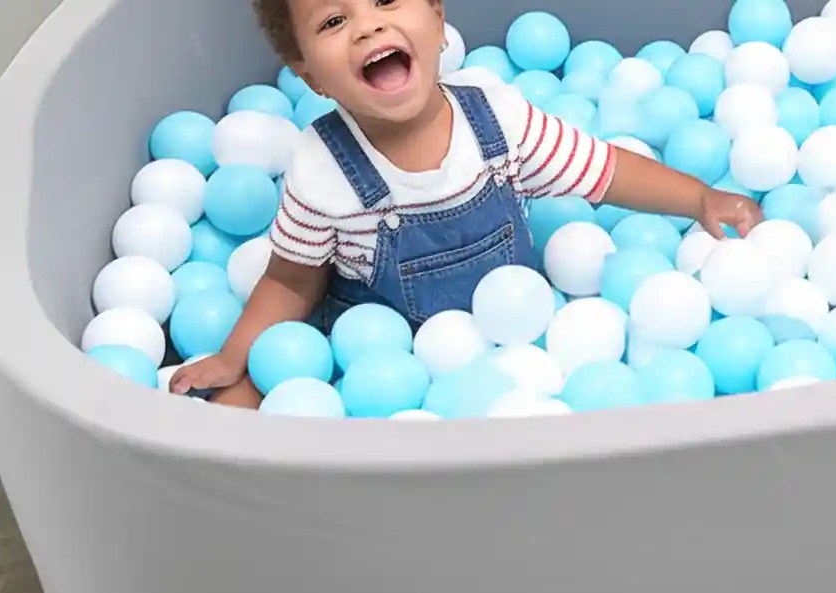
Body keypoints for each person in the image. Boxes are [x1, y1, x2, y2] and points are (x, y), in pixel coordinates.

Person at [169, 0, 763, 408]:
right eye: (332, 21)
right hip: (379, 359)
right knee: (262, 389)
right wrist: (233, 357)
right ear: (309, 77)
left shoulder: (496, 120)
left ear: (436, 17)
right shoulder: (323, 170)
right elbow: (292, 279)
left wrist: (697, 198)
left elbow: (601, 171)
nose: (368, 28)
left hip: (518, 335)